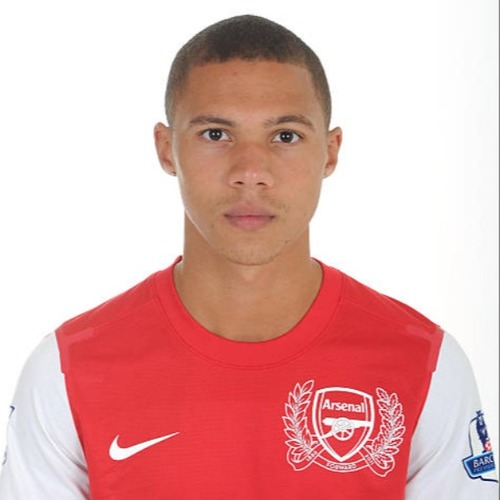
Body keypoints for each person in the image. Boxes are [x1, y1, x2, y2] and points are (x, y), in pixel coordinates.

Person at [0, 14, 497, 500]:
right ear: (166, 149)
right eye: (216, 134)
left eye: (285, 136)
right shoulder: (68, 371)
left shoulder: (424, 363)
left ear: (330, 152)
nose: (251, 171)